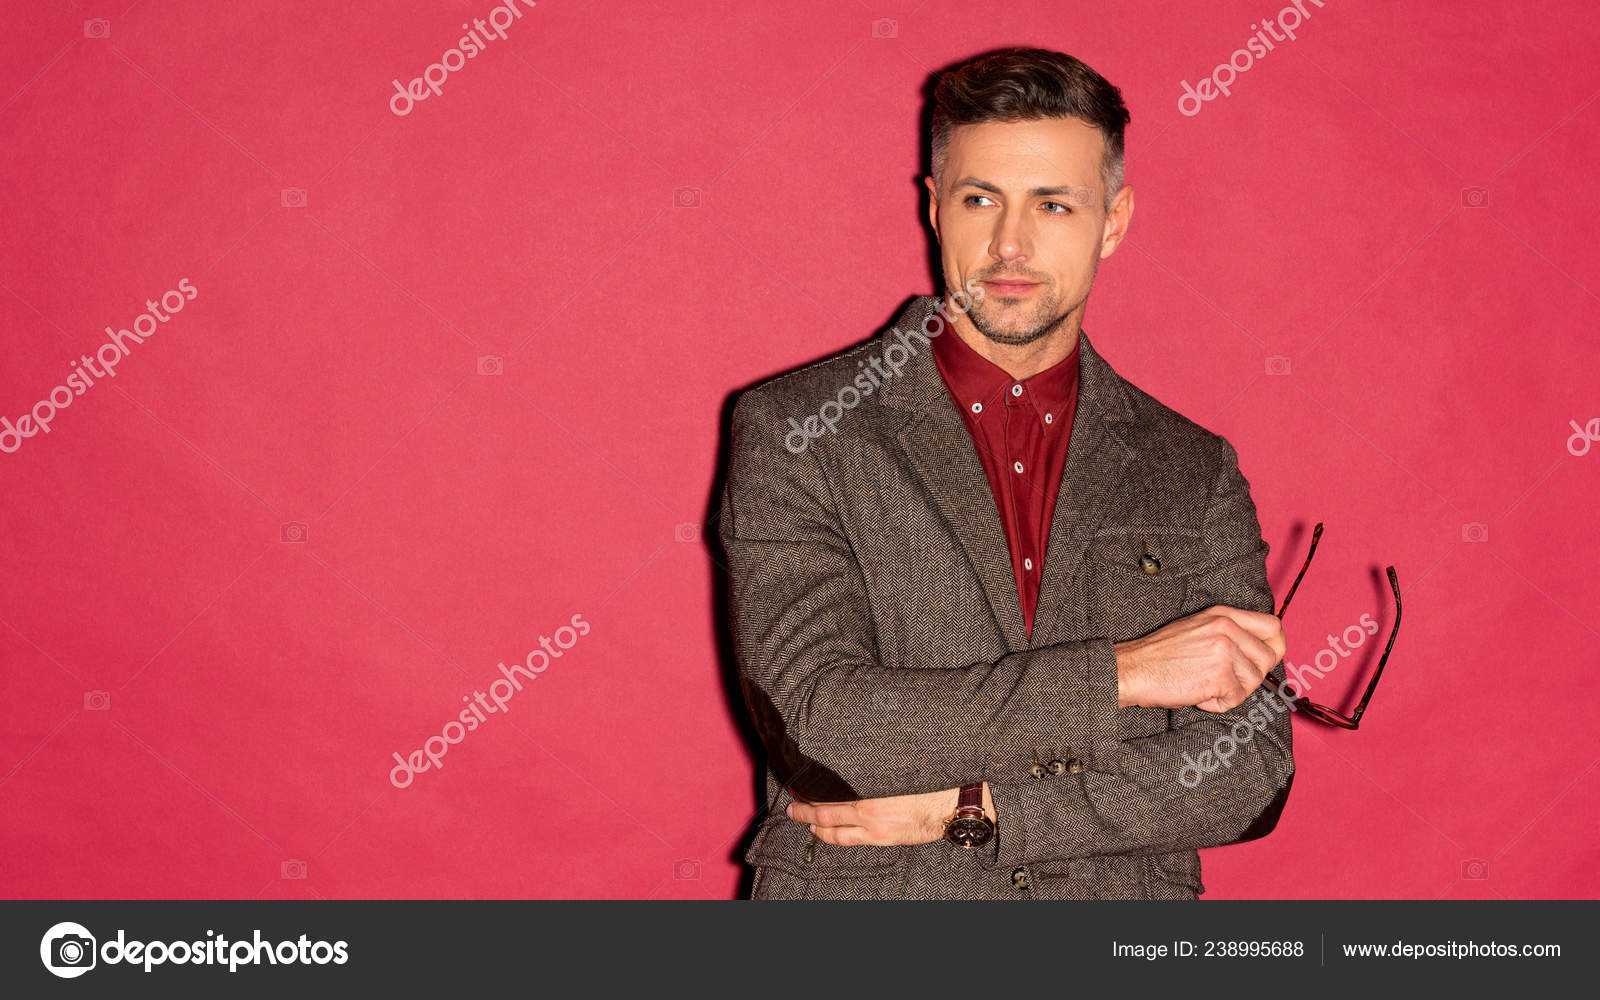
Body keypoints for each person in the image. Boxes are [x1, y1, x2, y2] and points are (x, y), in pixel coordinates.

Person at [718, 47, 1293, 900]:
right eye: (980, 199)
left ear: (1115, 219)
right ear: (934, 209)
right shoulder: (799, 429)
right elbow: (825, 728)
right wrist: (1128, 675)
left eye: (1054, 205)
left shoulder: (1192, 466)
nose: (1009, 244)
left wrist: (975, 811)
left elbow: (1247, 771)